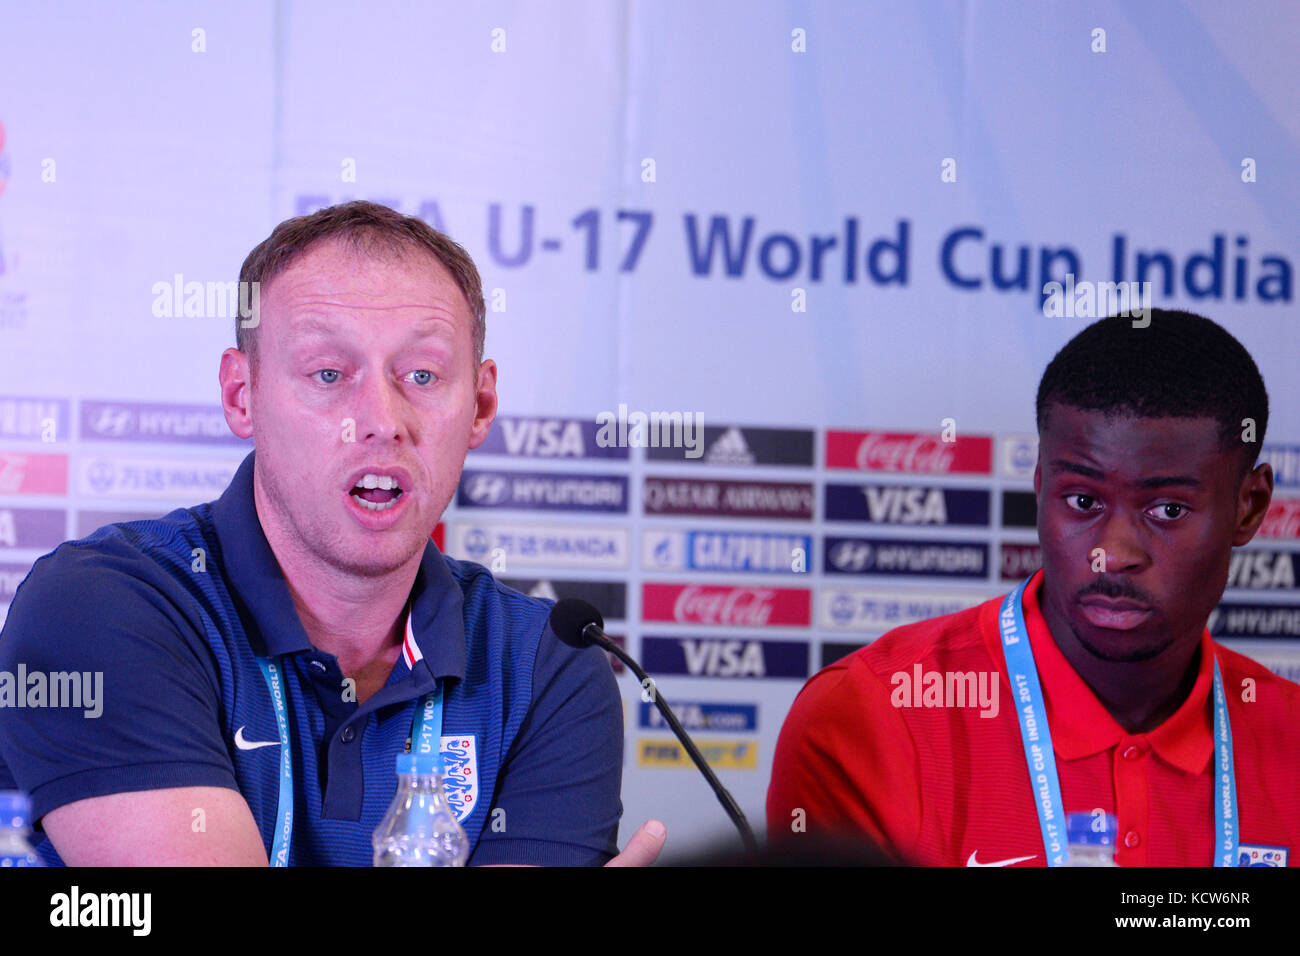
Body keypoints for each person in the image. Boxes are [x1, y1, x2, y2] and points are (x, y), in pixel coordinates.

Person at [0, 200, 665, 866]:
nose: (381, 421)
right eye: (328, 373)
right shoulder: (101, 607)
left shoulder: (548, 664)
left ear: (480, 406)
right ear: (241, 395)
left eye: (423, 375)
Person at [768, 309, 1300, 866]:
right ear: (1041, 485)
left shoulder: (1287, 729)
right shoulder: (871, 718)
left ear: (1250, 506)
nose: (1113, 553)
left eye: (1167, 509)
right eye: (1083, 500)